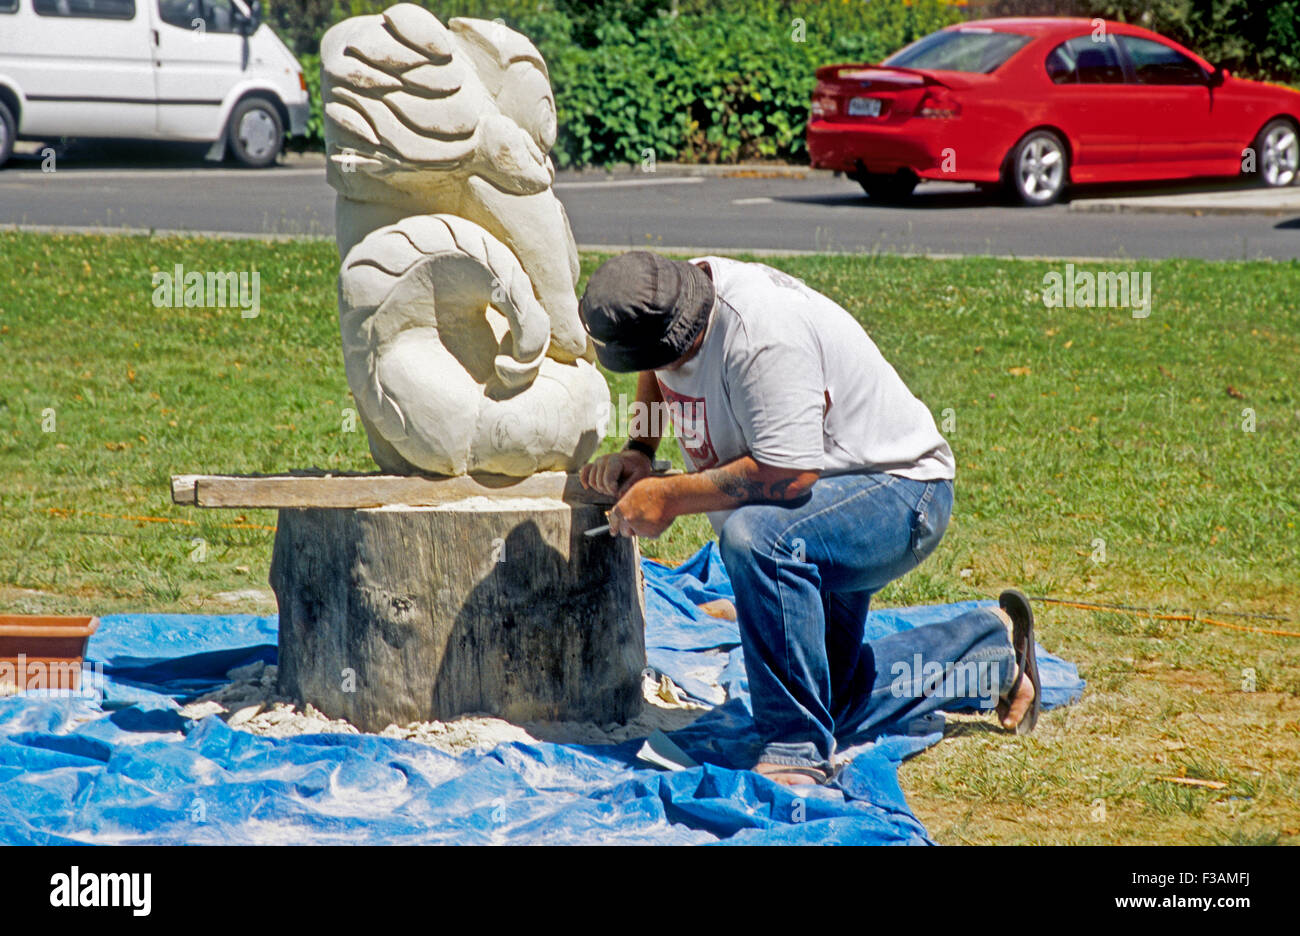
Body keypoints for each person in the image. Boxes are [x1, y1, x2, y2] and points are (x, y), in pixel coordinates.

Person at [577, 251, 1041, 786]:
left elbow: (789, 474)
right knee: (834, 703)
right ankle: (991, 652)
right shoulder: (670, 294)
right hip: (818, 509)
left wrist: (670, 497)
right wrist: (639, 449)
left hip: (899, 494)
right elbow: (658, 370)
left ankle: (795, 748)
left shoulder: (761, 337)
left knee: (756, 539)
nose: (653, 366)